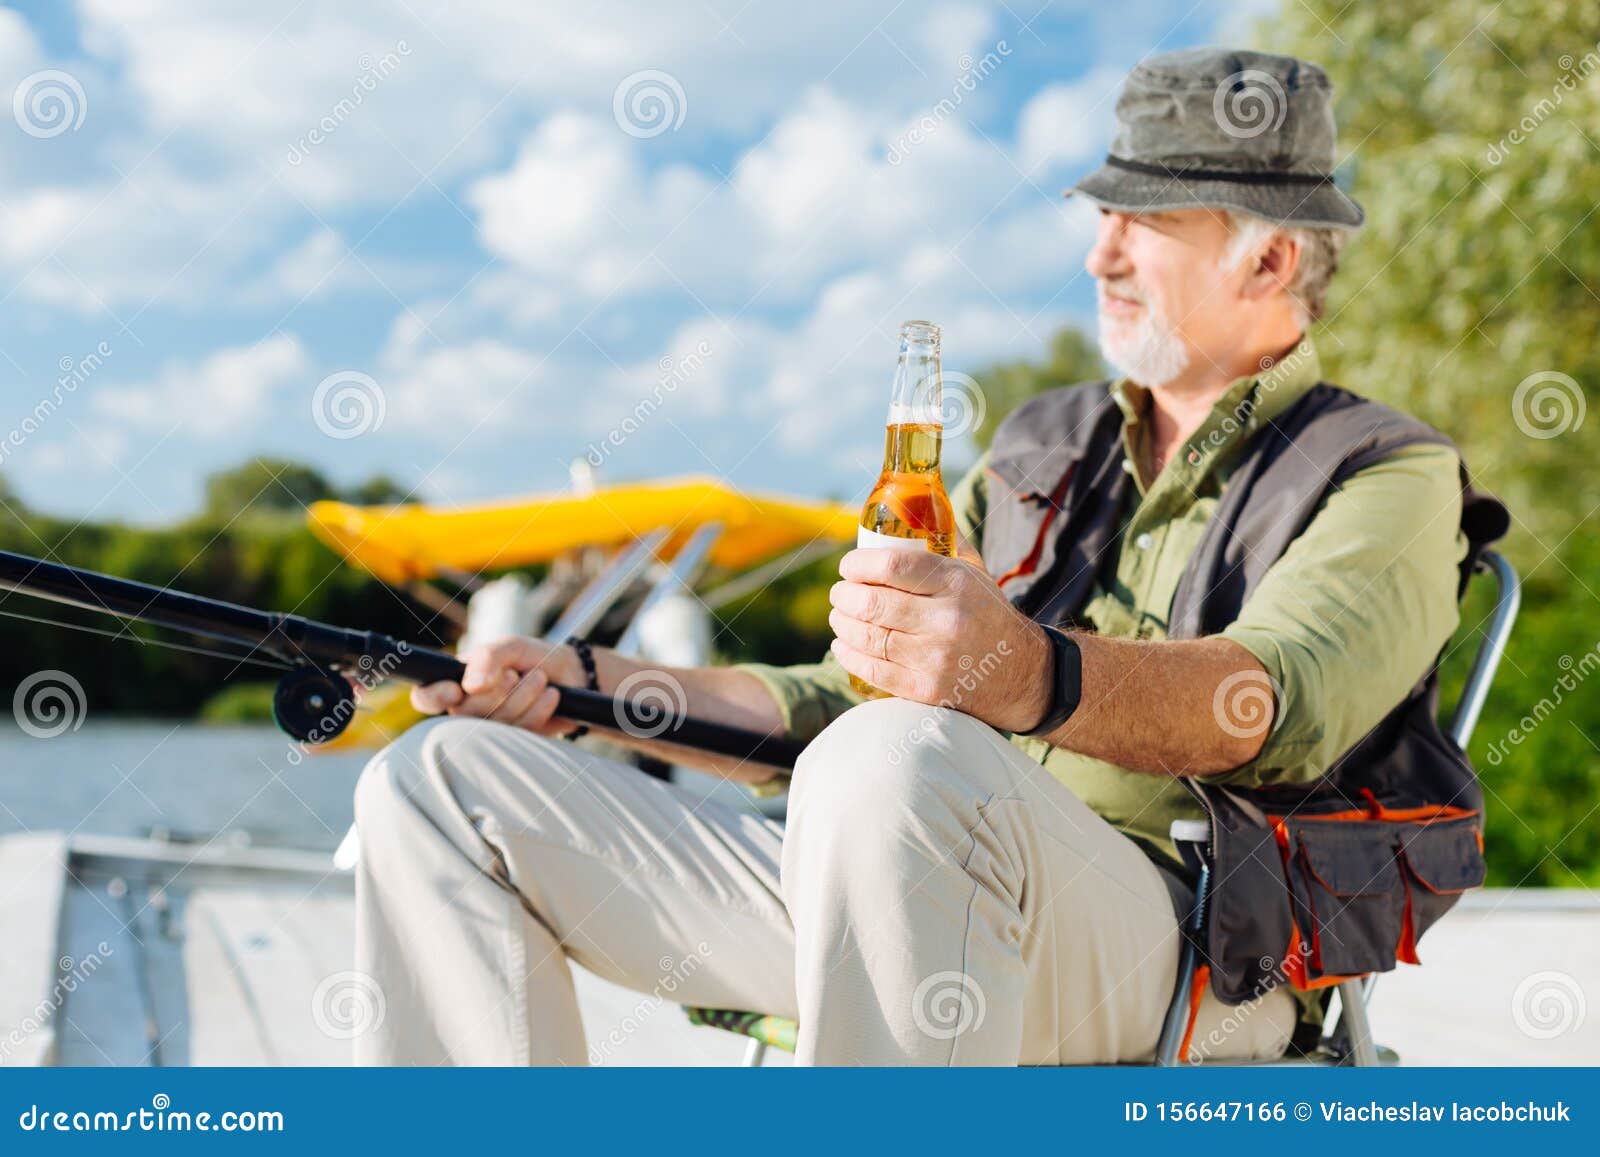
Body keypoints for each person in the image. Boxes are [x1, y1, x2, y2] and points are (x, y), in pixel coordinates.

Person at [351, 48, 1476, 1065]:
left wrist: (1015, 668)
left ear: (1270, 257)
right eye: (1101, 216)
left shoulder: (1384, 472)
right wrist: (599, 690)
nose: (1100, 252)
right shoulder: (1045, 440)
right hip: (894, 872)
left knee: (889, 760)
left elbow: (1270, 711)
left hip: (1190, 949)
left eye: (1145, 220)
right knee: (438, 780)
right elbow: (845, 700)